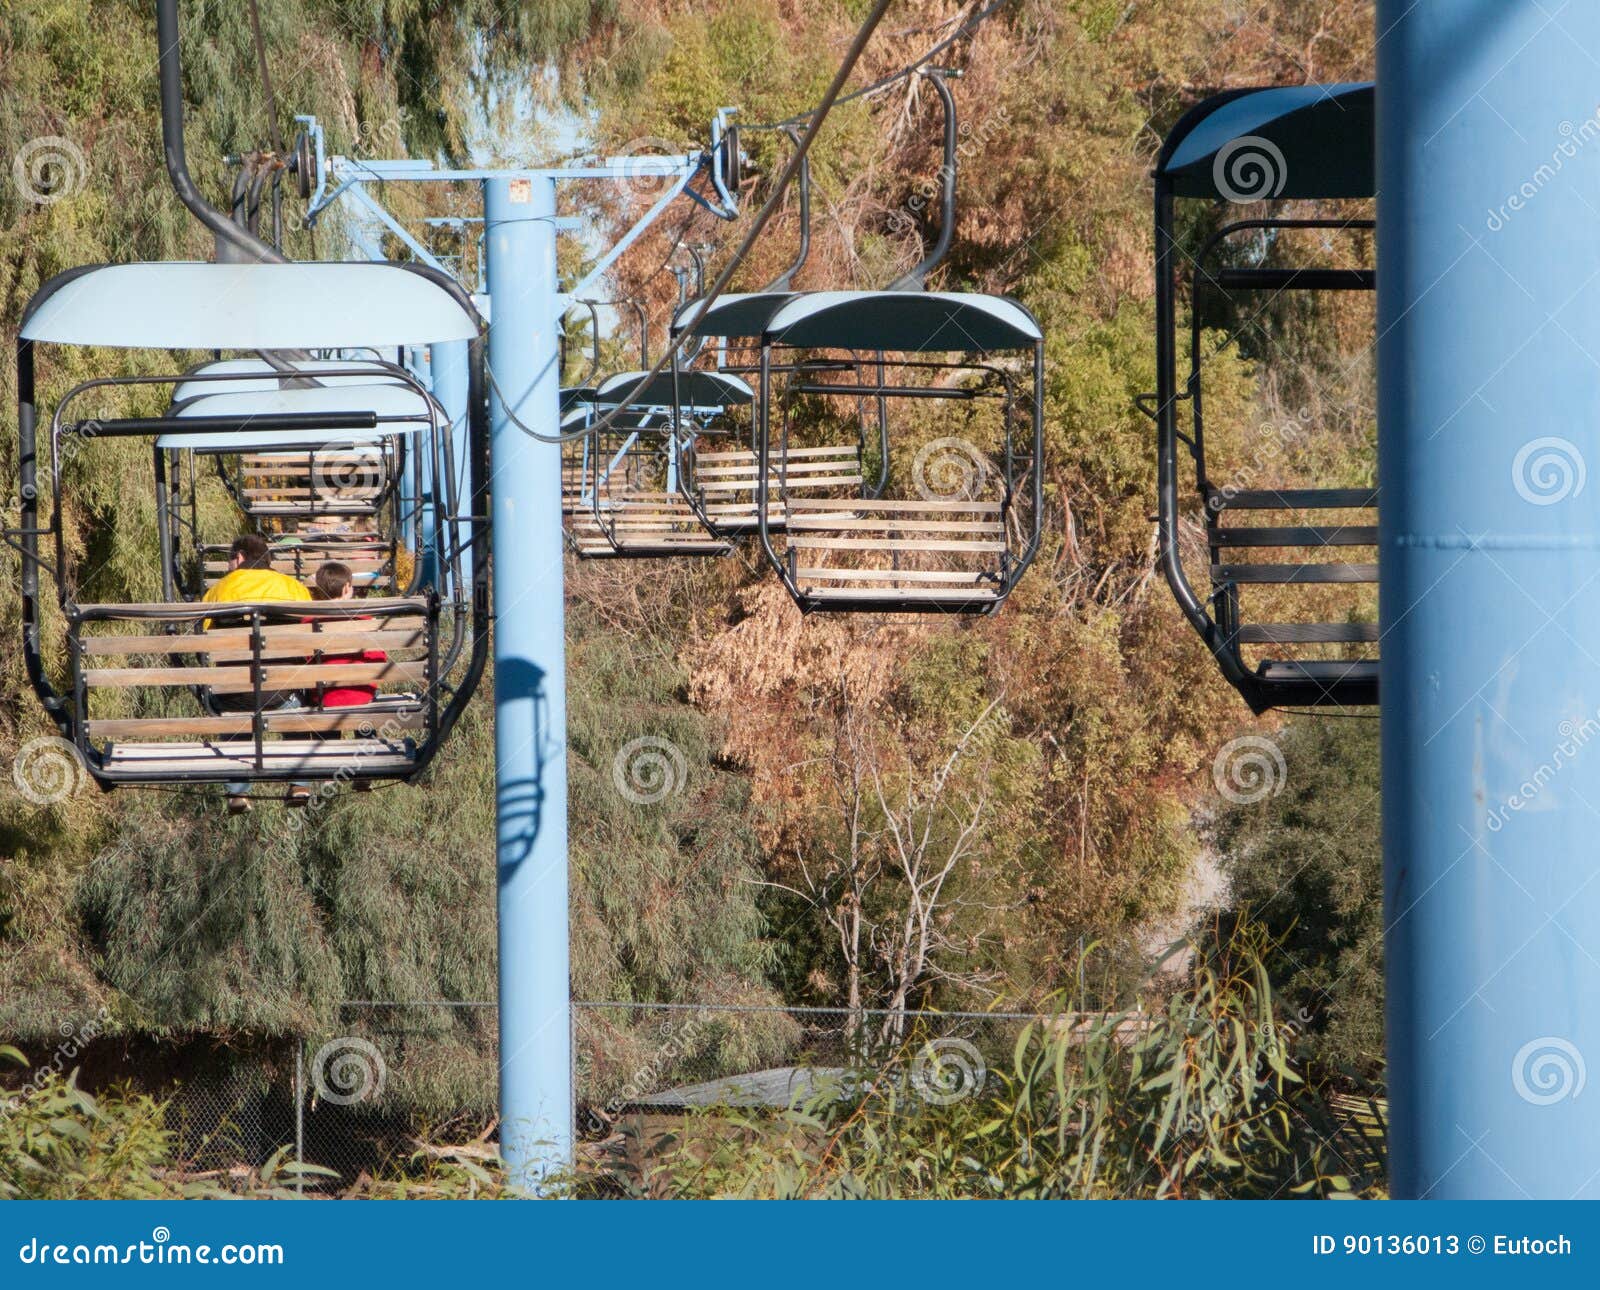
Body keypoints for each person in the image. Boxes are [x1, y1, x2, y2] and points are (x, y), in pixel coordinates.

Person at [203, 535, 312, 815]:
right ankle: (300, 783)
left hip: (233, 696)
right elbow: (313, 637)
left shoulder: (220, 589)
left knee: (231, 708)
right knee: (299, 704)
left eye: (229, 559)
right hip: (282, 695)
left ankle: (237, 790)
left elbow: (201, 640)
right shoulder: (294, 588)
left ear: (239, 557)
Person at [307, 561, 386, 711]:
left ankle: (327, 735)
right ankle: (367, 734)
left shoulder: (308, 621)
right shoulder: (364, 620)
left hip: (324, 697)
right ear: (346, 588)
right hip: (361, 695)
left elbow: (306, 660)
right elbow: (379, 659)